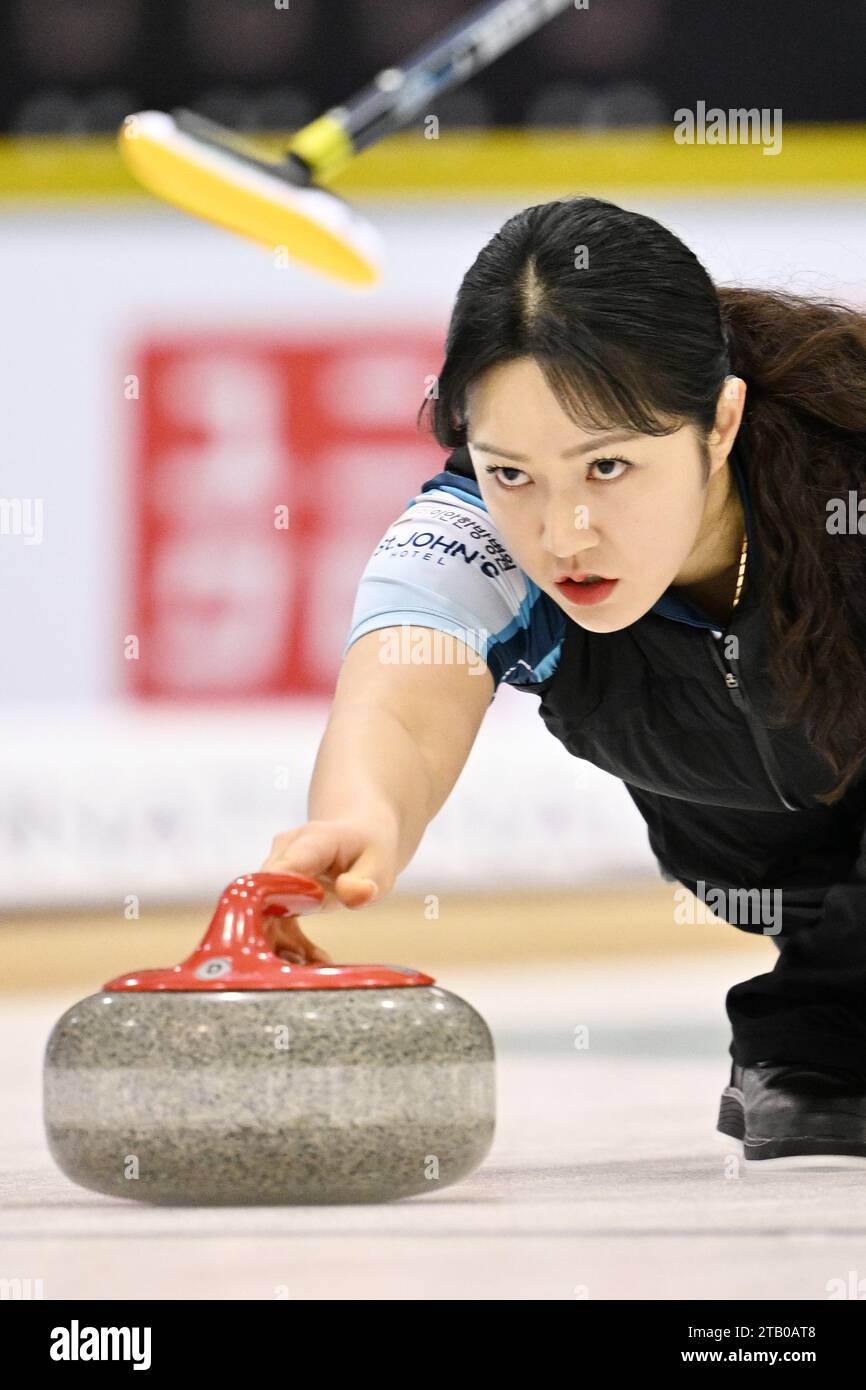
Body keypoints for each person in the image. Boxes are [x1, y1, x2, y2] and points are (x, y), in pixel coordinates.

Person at [260, 195, 866, 1167]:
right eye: (511, 473)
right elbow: (402, 702)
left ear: (718, 421)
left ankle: (824, 1034)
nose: (561, 531)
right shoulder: (471, 532)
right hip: (761, 866)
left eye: (609, 466)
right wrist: (361, 816)